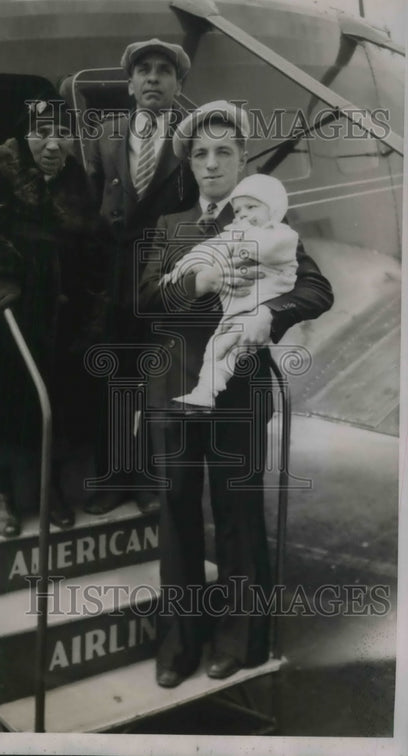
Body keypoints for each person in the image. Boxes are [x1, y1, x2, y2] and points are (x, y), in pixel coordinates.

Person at [138, 101, 334, 686]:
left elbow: (316, 289)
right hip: (174, 389)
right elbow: (144, 300)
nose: (211, 163)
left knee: (238, 512)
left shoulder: (267, 222)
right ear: (189, 164)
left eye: (224, 151)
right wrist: (198, 281)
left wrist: (270, 314)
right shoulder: (169, 227)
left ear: (243, 159)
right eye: (200, 153)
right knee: (176, 513)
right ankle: (179, 644)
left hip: (239, 392)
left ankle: (240, 640)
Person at [0, 96, 100, 538]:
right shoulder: (0, 169)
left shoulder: (76, 180)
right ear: (25, 136)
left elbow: (88, 243)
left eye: (62, 133)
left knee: (58, 391)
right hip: (15, 304)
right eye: (42, 133)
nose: (53, 144)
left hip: (61, 309)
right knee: (7, 392)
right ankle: (1, 493)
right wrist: (3, 276)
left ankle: (50, 487)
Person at [84, 37, 198, 516]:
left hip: (163, 279)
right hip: (115, 281)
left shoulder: (192, 140)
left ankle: (152, 481)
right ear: (130, 85)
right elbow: (89, 207)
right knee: (114, 381)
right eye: (144, 70)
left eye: (164, 71)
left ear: (177, 85)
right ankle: (113, 478)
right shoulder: (105, 135)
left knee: (158, 382)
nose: (153, 77)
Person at [162, 173, 299, 407]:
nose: (243, 214)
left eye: (251, 207)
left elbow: (264, 249)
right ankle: (205, 393)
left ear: (272, 209)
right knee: (216, 349)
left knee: (228, 348)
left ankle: (207, 392)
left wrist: (238, 238)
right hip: (236, 311)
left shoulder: (282, 234)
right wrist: (183, 267)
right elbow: (208, 248)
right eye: (238, 210)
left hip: (259, 306)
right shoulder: (232, 233)